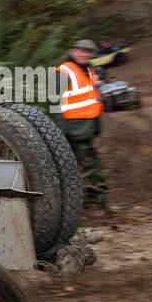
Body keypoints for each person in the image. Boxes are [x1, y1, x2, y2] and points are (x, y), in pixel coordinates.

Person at [55, 39, 108, 211]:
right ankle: (100, 201)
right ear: (72, 51)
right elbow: (55, 103)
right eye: (81, 51)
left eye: (88, 52)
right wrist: (60, 132)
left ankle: (88, 200)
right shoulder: (64, 71)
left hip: (87, 127)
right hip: (73, 129)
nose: (85, 54)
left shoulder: (88, 70)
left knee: (82, 166)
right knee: (90, 166)